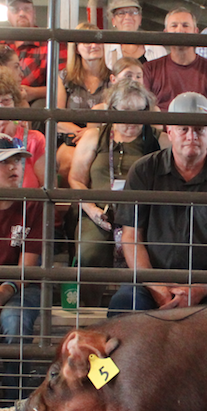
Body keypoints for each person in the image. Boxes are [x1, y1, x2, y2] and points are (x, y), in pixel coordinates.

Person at [107, 92, 207, 316]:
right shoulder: (144, 171)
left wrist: (199, 290)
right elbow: (131, 237)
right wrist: (157, 288)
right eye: (183, 129)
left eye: (199, 129)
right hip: (152, 279)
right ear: (169, 131)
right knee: (123, 305)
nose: (191, 135)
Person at [69, 79, 163, 305]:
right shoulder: (95, 136)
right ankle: (90, 310)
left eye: (139, 112)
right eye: (125, 112)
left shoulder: (158, 139)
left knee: (157, 253)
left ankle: (145, 308)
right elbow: (75, 178)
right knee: (89, 252)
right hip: (99, 211)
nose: (131, 120)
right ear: (112, 110)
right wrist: (90, 209)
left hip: (143, 215)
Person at [0, 134, 42, 406]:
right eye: (7, 162)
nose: (16, 167)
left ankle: (14, 399)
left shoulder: (32, 202)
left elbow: (27, 267)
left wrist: (5, 289)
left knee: (15, 318)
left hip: (20, 285)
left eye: (19, 160)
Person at [55, 22, 111, 186]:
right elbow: (57, 117)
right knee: (71, 162)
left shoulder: (113, 76)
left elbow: (117, 115)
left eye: (97, 41)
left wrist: (91, 132)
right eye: (87, 42)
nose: (93, 45)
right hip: (71, 136)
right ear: (77, 48)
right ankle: (72, 208)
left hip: (102, 136)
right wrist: (82, 133)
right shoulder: (65, 77)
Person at [143, 8, 207, 111]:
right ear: (166, 33)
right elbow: (143, 108)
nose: (179, 30)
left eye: (185, 25)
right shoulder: (149, 69)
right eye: (174, 26)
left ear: (196, 31)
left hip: (200, 126)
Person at [0, 0, 67, 114]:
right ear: (8, 15)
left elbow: (64, 84)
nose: (21, 13)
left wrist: (34, 92)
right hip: (3, 94)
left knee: (41, 108)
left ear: (33, 13)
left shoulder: (51, 42)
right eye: (15, 10)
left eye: (26, 9)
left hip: (34, 100)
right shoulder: (2, 41)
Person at [0, 67, 44, 188]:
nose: (1, 107)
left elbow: (48, 190)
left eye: (6, 100)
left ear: (15, 102)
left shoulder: (35, 140)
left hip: (27, 207)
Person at [102, 0, 167, 70]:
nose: (127, 17)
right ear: (113, 21)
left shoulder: (156, 49)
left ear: (140, 19)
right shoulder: (105, 50)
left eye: (133, 12)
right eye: (121, 13)